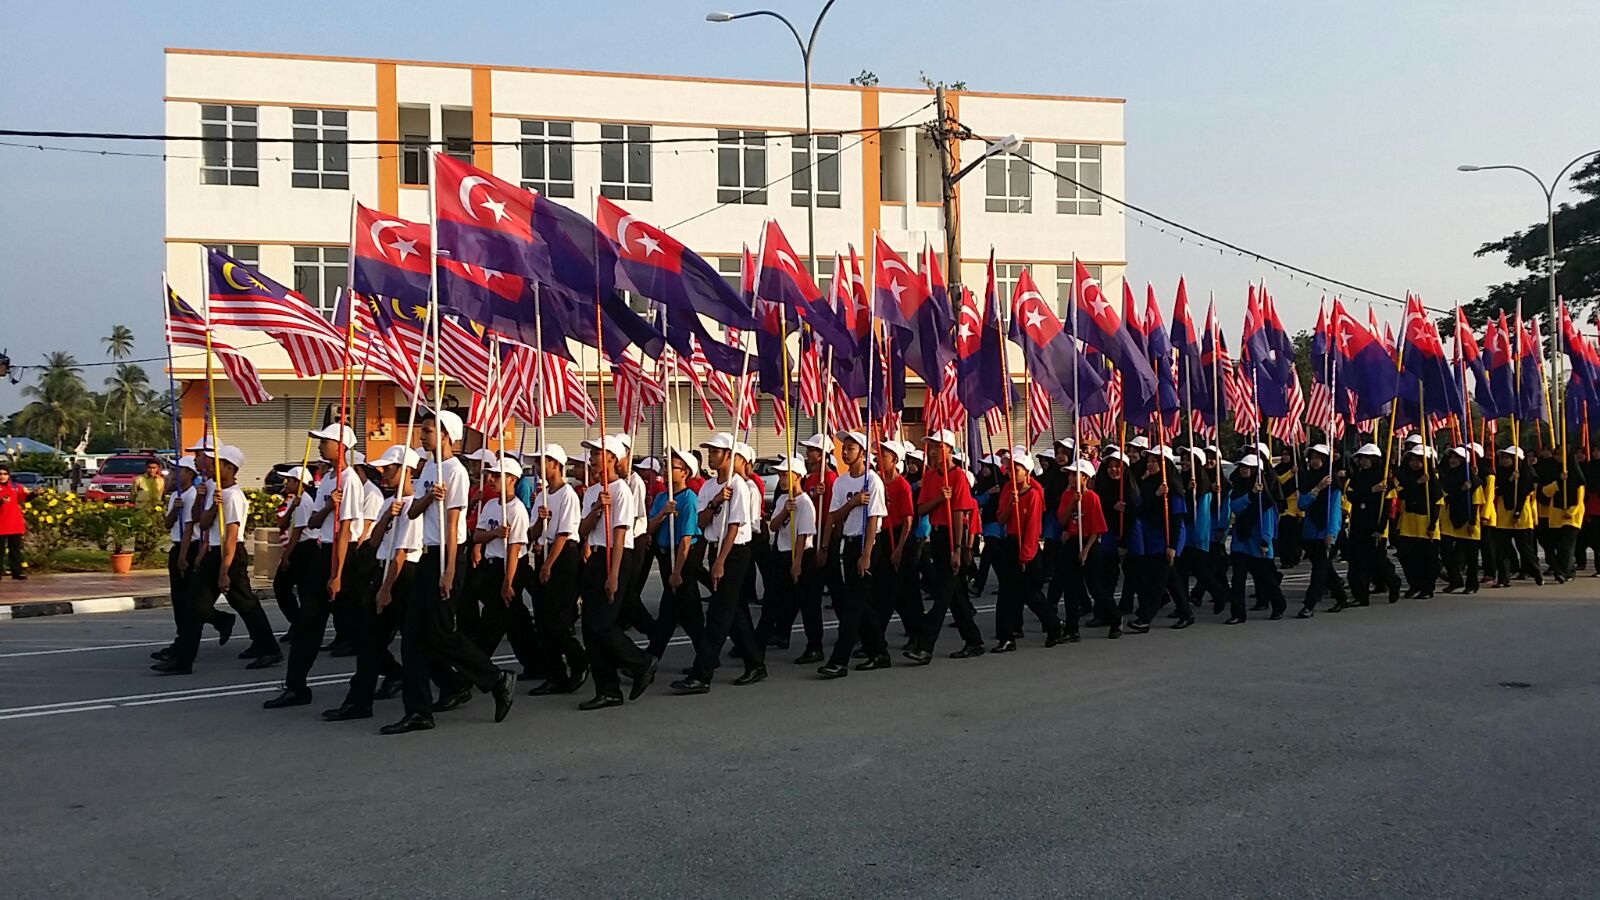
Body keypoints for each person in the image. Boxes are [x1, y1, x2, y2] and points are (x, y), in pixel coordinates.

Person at [381, 410, 515, 734]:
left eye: (427, 431)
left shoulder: (456, 472)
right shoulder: (428, 469)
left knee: (442, 633)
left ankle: (496, 679)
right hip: (428, 556)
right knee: (412, 638)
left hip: (446, 556)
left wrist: (450, 571)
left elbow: (454, 524)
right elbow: (413, 510)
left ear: (445, 436)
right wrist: (429, 495)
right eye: (424, 430)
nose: (422, 436)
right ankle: (418, 711)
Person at [266, 425, 368, 708]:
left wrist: (337, 575)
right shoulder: (328, 480)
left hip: (342, 557)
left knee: (359, 628)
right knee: (309, 623)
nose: (320, 446)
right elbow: (313, 522)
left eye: (325, 441)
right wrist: (327, 507)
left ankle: (393, 675)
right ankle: (296, 686)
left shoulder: (349, 480)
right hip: (321, 554)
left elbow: (346, 530)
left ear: (341, 446)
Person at [155, 446, 278, 674]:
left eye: (217, 463)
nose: (210, 466)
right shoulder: (215, 490)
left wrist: (224, 570)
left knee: (245, 603)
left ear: (230, 468)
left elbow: (231, 536)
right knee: (196, 606)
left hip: (227, 554)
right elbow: (202, 524)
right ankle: (183, 659)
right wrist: (210, 506)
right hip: (212, 551)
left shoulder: (234, 496)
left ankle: (268, 647)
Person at [323, 445, 420, 721]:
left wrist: (386, 590)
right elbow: (376, 541)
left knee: (424, 644)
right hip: (381, 572)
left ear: (405, 472)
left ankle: (458, 684)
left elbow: (402, 553)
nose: (383, 475)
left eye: (388, 469)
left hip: (402, 579)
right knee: (369, 641)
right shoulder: (391, 503)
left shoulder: (416, 507)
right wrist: (388, 515)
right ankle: (359, 701)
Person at [672, 433, 763, 694]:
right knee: (732, 613)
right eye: (710, 451)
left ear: (728, 455)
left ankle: (702, 673)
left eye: (715, 452)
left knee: (718, 614)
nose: (711, 456)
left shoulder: (741, 487)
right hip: (715, 547)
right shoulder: (711, 486)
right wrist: (714, 502)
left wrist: (720, 562)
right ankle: (755, 662)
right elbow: (700, 522)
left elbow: (735, 526)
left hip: (733, 552)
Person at [573, 435, 658, 709]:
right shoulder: (591, 492)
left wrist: (614, 575)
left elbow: (620, 534)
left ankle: (641, 662)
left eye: (597, 453)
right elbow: (582, 531)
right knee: (590, 628)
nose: (592, 458)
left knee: (603, 624)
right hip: (596, 556)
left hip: (616, 555)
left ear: (611, 458)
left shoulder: (622, 489)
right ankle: (607, 688)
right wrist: (598, 507)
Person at [903, 430, 983, 664]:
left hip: (951, 535)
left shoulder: (958, 476)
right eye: (932, 447)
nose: (935, 451)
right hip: (936, 536)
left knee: (942, 596)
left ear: (948, 449)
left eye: (938, 447)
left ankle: (925, 645)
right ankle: (974, 640)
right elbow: (922, 509)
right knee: (954, 594)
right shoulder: (929, 477)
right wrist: (940, 498)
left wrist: (957, 548)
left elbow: (959, 513)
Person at [817, 430, 888, 678]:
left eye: (850, 448)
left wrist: (866, 554)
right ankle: (879, 652)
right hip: (848, 542)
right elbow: (834, 516)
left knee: (853, 603)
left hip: (866, 543)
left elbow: (873, 519)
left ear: (862, 453)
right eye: (844, 448)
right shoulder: (841, 482)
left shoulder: (873, 481)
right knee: (862, 602)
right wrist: (852, 503)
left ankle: (839, 660)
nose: (845, 452)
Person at [526, 444, 589, 696]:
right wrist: (541, 522)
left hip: (563, 557)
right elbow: (532, 533)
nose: (537, 466)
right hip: (545, 551)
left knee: (558, 619)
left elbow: (564, 534)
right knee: (543, 620)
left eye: (542, 461)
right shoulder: (542, 495)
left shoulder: (567, 495)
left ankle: (579, 660)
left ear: (554, 463)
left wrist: (548, 566)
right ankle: (555, 674)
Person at [470, 456, 539, 675]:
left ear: (511, 479)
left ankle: (475, 668)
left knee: (492, 621)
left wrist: (508, 582)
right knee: (517, 621)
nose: (491, 479)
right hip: (491, 565)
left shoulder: (516, 509)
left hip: (509, 566)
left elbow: (514, 548)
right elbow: (478, 536)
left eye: (497, 476)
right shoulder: (491, 505)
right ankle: (537, 663)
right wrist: (494, 534)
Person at [993, 448, 1063, 650]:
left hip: (1027, 546)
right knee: (1006, 593)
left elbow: (1033, 528)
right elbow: (1001, 519)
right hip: (1011, 542)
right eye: (1010, 469)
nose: (1011, 473)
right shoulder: (1008, 490)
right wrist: (1010, 504)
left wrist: (1025, 556)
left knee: (1030, 594)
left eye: (1017, 469)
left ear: (1027, 472)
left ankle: (1053, 625)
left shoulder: (1033, 495)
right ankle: (1006, 637)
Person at [754, 455, 819, 661]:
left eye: (786, 475)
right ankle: (758, 645)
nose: (782, 479)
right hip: (781, 553)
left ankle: (815, 646)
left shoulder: (805, 503)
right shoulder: (783, 499)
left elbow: (803, 534)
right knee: (773, 602)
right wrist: (784, 511)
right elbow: (773, 526)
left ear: (797, 476)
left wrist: (797, 563)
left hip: (800, 555)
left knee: (807, 603)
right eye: (781, 475)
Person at [646, 447, 705, 660]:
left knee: (669, 611)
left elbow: (686, 539)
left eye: (673, 466)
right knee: (690, 613)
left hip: (680, 557)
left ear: (685, 472)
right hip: (664, 555)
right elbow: (649, 528)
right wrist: (663, 513)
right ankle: (707, 655)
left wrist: (677, 571)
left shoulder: (689, 499)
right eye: (665, 465)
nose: (667, 469)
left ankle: (650, 658)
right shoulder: (663, 498)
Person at [1125, 449, 1191, 633]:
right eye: (1149, 461)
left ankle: (1144, 618)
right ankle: (1186, 613)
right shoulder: (1149, 485)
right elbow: (1141, 510)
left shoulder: (1173, 488)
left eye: (1155, 461)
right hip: (1151, 538)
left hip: (1167, 538)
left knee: (1157, 581)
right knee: (1171, 580)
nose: (1150, 465)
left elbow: (1177, 519)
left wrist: (1172, 546)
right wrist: (1155, 495)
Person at [871, 440, 923, 653]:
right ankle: (876, 638)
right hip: (884, 537)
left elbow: (908, 520)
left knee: (907, 590)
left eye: (883, 456)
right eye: (878, 456)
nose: (878, 459)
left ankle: (916, 634)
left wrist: (899, 549)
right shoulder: (878, 483)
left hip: (901, 537)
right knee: (886, 591)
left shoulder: (901, 485)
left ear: (894, 460)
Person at [1225, 454, 1284, 623]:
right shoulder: (1239, 491)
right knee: (1237, 580)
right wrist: (1250, 495)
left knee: (1266, 578)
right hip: (1241, 543)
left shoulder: (1265, 498)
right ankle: (1237, 613)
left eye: (1248, 468)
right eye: (1242, 467)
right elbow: (1235, 507)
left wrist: (1265, 541)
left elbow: (1268, 521)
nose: (1244, 470)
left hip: (1258, 543)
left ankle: (1278, 605)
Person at [152, 458, 199, 662]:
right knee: (178, 598)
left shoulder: (193, 495)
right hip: (177, 545)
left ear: (189, 473)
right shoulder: (176, 497)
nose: (173, 475)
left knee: (188, 600)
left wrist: (182, 556)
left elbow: (189, 527)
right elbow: (167, 524)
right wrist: (174, 509)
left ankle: (184, 644)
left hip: (189, 548)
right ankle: (181, 640)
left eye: (178, 471)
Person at [1345, 443, 1401, 606]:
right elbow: (1351, 496)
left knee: (1378, 561)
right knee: (1355, 562)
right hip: (1358, 524)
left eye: (1366, 459)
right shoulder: (1357, 477)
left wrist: (1380, 529)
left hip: (1375, 526)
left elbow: (1386, 509)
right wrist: (1370, 491)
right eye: (1361, 458)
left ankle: (1393, 582)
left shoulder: (1385, 481)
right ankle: (1360, 595)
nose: (1363, 462)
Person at [1296, 444, 1349, 616]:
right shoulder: (1309, 479)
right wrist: (1317, 489)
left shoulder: (1333, 484)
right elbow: (1301, 504)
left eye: (1318, 458)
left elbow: (1334, 511)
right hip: (1310, 530)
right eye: (1312, 458)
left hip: (1326, 531)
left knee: (1319, 570)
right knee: (1325, 568)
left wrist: (1331, 534)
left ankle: (1309, 604)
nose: (1314, 461)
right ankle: (1341, 597)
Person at [1488, 447, 1541, 588]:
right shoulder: (1501, 473)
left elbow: (1524, 493)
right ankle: (1503, 578)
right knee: (1503, 550)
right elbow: (1497, 490)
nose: (1505, 461)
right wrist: (1510, 480)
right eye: (1503, 458)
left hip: (1521, 514)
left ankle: (1536, 572)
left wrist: (1517, 512)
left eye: (1508, 458)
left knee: (1525, 548)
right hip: (1504, 515)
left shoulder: (1525, 473)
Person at [1439, 447, 1485, 595]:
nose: (1453, 460)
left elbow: (1477, 502)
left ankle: (1472, 584)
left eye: (1457, 458)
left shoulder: (1474, 481)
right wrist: (1460, 490)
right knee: (1445, 552)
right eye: (1451, 457)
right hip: (1450, 519)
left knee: (1471, 556)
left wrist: (1472, 522)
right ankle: (1455, 580)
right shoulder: (1448, 478)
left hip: (1468, 521)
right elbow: (1446, 497)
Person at [1539, 449, 1586, 583]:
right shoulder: (1554, 473)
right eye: (1556, 455)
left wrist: (1570, 512)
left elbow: (1579, 499)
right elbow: (1545, 492)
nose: (1558, 457)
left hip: (1571, 517)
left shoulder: (1576, 477)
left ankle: (1564, 572)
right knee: (1557, 546)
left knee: (1566, 546)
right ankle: (1567, 570)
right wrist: (1559, 482)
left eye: (1561, 455)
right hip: (1555, 517)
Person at [0, 464, 28, 579]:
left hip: (14, 523)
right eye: (0, 474)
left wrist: (34, 494)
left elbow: (24, 498)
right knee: (0, 550)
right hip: (1, 524)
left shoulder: (15, 486)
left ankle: (17, 572)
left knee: (15, 550)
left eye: (5, 474)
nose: (2, 476)